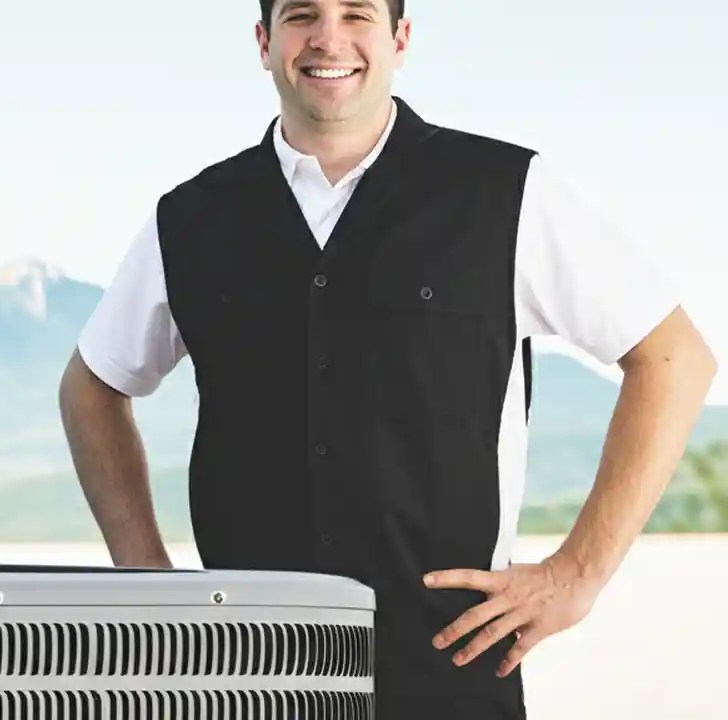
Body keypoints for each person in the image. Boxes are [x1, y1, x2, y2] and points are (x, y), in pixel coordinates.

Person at [57, 0, 718, 717]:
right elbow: (92, 385)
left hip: (446, 671)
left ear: (400, 39)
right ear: (263, 41)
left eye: (357, 14)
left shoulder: (505, 192)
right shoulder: (188, 219)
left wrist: (579, 572)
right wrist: (147, 577)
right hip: (244, 678)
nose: (329, 38)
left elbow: (673, 358)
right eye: (302, 14)